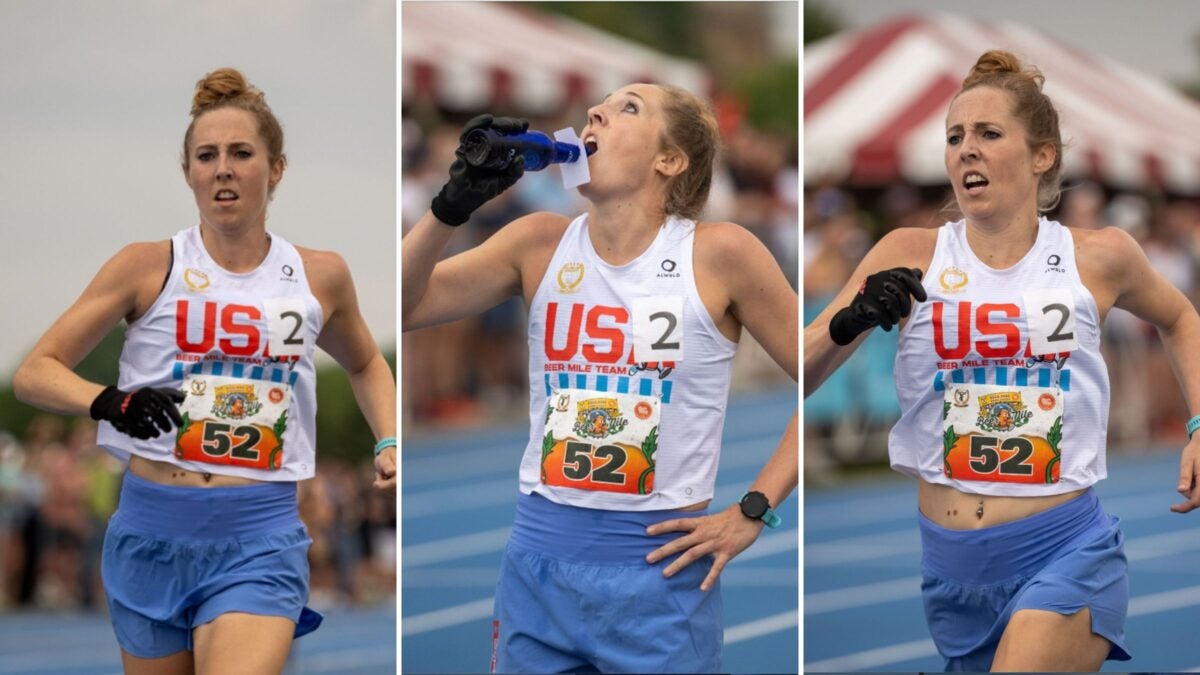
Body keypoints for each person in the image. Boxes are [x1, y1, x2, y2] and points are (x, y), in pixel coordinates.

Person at [804, 50, 1200, 672]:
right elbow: (798, 369)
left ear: (1042, 155)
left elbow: (1182, 319)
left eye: (989, 134)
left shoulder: (1098, 256)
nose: (967, 150)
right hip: (950, 570)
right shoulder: (908, 251)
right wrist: (848, 318)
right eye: (955, 137)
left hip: (1064, 550)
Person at [13, 68, 397, 675]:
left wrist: (390, 439)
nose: (223, 168)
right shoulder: (145, 265)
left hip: (258, 536)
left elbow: (368, 361)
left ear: (275, 170)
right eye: (206, 155)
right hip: (150, 531)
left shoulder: (320, 275)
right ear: (188, 171)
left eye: (241, 153)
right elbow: (35, 371)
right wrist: (111, 401)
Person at [403, 84, 798, 673]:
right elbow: (406, 307)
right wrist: (448, 210)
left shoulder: (722, 253)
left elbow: (817, 364)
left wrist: (754, 507)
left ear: (669, 160)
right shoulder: (537, 242)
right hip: (537, 567)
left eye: (627, 108)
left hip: (658, 577)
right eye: (600, 107)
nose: (596, 113)